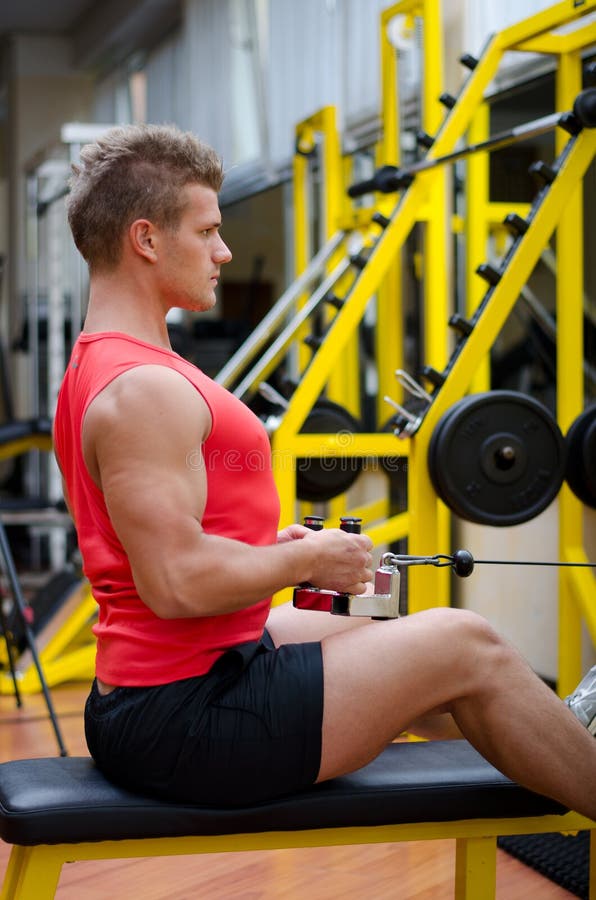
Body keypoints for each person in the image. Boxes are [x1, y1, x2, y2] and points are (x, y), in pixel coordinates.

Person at [53, 122, 596, 815]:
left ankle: (560, 746)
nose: (222, 251)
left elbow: (164, 547)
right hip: (183, 718)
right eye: (207, 231)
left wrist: (276, 552)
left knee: (387, 630)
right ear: (146, 239)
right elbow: (176, 582)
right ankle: (579, 760)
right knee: (467, 642)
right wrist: (308, 561)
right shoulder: (143, 390)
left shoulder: (109, 365)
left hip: (188, 676)